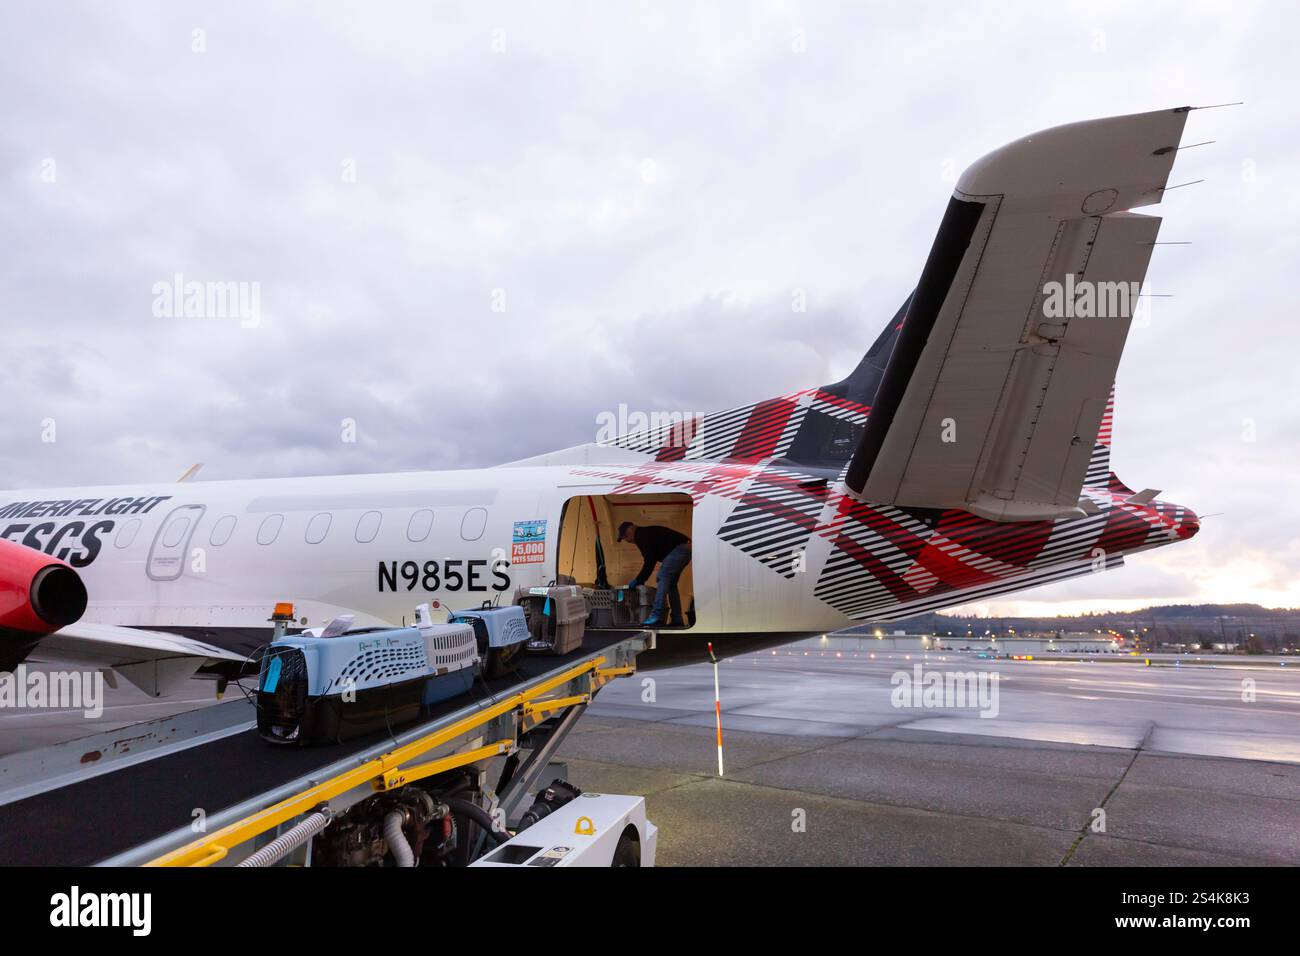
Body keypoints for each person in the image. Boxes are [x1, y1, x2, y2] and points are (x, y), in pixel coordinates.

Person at [617, 521, 691, 628]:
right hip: (686, 547)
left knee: (662, 576)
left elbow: (650, 561)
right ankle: (677, 619)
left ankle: (657, 616)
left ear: (631, 529)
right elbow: (650, 560)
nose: (628, 540)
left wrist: (638, 580)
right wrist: (640, 579)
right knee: (670, 584)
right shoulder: (644, 534)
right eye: (625, 538)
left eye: (626, 536)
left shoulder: (641, 536)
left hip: (681, 548)